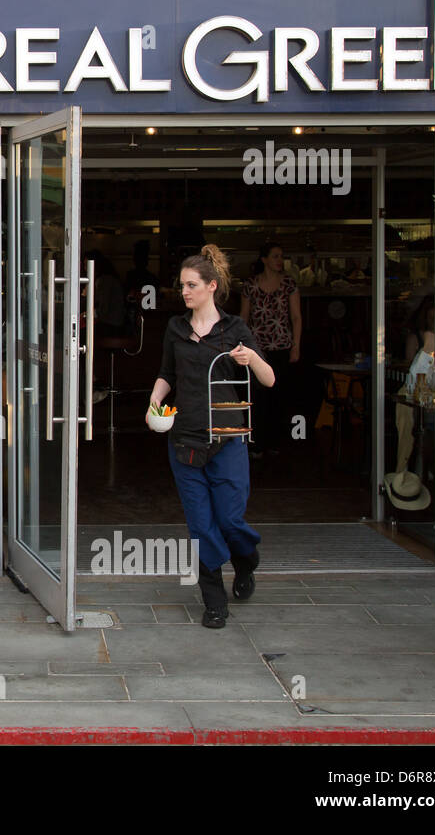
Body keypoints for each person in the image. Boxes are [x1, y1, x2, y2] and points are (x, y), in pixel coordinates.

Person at [149, 244, 275, 629]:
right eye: (181, 285)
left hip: (228, 436)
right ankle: (214, 600)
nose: (184, 292)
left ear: (211, 286)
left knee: (230, 518)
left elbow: (269, 379)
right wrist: (154, 403)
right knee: (202, 525)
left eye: (191, 285)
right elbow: (167, 374)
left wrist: (250, 358)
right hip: (185, 438)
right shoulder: (175, 328)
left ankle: (246, 560)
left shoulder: (234, 329)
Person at [239, 241, 301, 455]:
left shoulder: (289, 284)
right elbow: (244, 317)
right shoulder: (251, 285)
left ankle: (275, 441)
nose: (279, 260)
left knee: (279, 395)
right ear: (264, 259)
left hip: (282, 344)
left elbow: (296, 316)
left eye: (281, 256)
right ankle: (256, 442)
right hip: (257, 348)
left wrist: (296, 345)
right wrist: (241, 344)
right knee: (257, 396)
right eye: (275, 256)